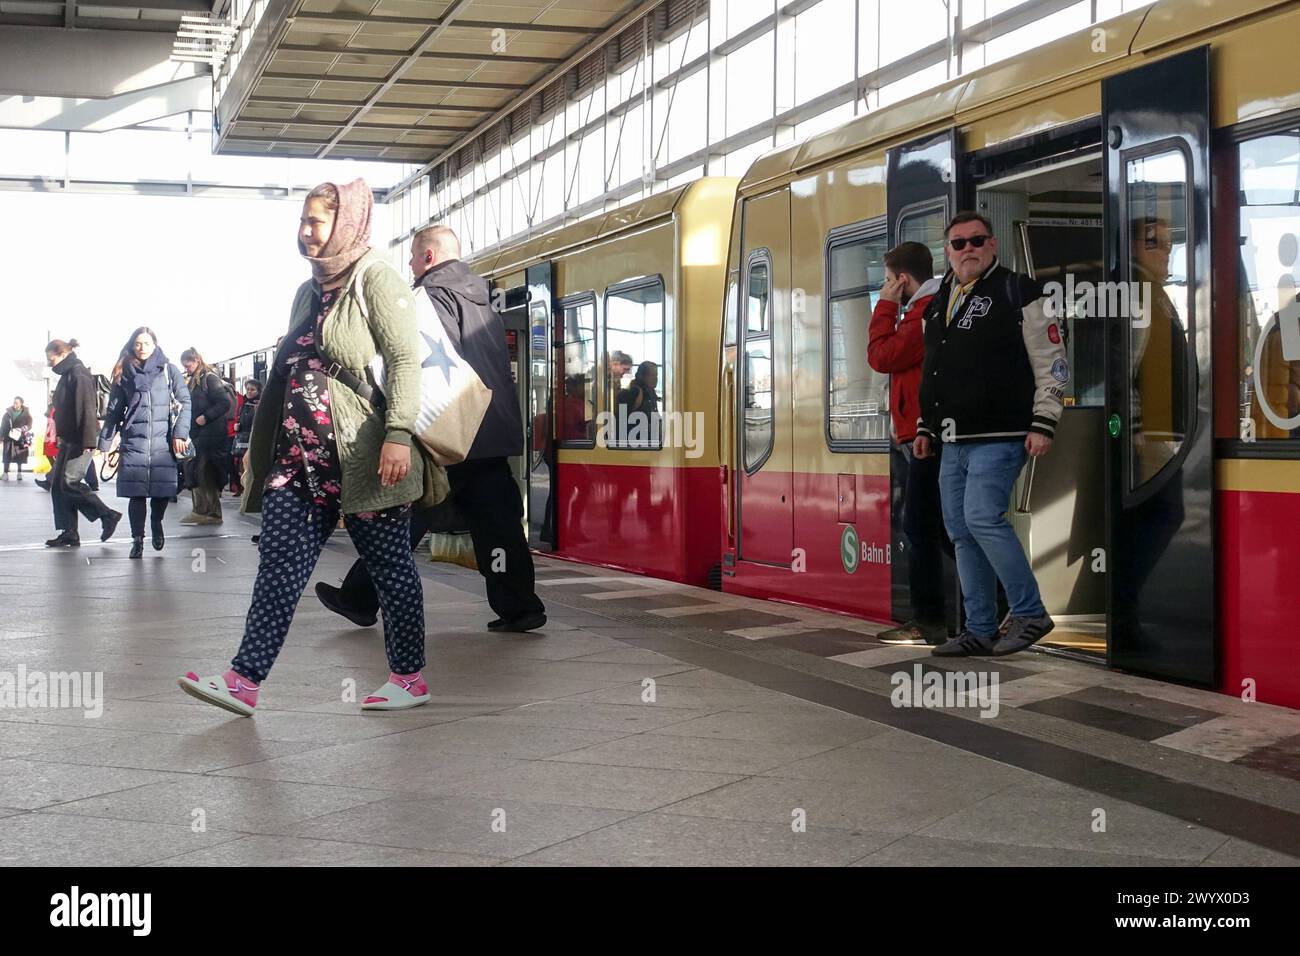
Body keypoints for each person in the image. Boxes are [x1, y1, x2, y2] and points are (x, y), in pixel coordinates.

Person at [178, 178, 442, 716]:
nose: (305, 233)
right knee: (278, 566)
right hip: (298, 461)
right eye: (301, 221)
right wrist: (261, 445)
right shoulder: (306, 291)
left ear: (346, 223)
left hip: (365, 456)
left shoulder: (378, 279)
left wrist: (397, 434)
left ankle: (409, 676)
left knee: (390, 568)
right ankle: (243, 680)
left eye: (315, 222)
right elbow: (286, 374)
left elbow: (404, 362)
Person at [316, 223, 546, 633]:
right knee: (499, 525)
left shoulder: (424, 298)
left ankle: (358, 597)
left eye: (412, 256)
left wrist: (399, 426)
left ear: (429, 257)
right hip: (491, 432)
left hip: (449, 429)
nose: (408, 264)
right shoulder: (483, 299)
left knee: (405, 517)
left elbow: (408, 360)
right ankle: (521, 606)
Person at [914, 212, 1066, 657]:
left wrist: (1045, 421)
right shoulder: (942, 298)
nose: (968, 249)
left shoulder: (1019, 290)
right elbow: (933, 370)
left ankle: (1030, 612)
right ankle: (979, 628)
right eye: (958, 244)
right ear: (947, 252)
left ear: (994, 245)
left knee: (981, 518)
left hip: (1002, 433)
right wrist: (926, 424)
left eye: (976, 241)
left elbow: (1052, 361)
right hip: (952, 438)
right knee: (960, 529)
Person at [867, 241, 949, 645]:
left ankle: (930, 620)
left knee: (922, 527)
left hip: (925, 437)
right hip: (920, 433)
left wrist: (884, 307)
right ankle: (983, 612)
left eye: (886, 281)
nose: (884, 288)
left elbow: (882, 357)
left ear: (902, 279)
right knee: (943, 529)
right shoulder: (923, 309)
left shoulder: (923, 312)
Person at [96, 327, 191, 558]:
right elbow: (114, 410)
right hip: (133, 441)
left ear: (155, 344)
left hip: (164, 441)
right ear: (132, 344)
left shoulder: (169, 370)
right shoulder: (124, 372)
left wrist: (180, 433)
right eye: (138, 343)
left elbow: (184, 400)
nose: (142, 348)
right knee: (136, 493)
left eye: (146, 343)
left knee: (161, 492)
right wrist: (104, 442)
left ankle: (156, 523)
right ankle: (137, 539)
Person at [44, 339, 122, 547]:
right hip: (70, 438)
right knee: (59, 486)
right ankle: (69, 531)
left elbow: (87, 408)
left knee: (68, 483)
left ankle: (107, 515)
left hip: (81, 438)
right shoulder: (69, 374)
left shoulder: (78, 374)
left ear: (61, 354)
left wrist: (88, 440)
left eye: (50, 358)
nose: (49, 363)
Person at [179, 348, 231, 524]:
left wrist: (205, 417)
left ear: (197, 361)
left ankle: (210, 512)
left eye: (188, 365)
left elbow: (224, 402)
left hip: (212, 435)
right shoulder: (196, 381)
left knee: (204, 471)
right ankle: (202, 510)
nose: (186, 368)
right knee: (197, 470)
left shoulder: (209, 379)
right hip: (201, 434)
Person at [231, 378, 260, 496]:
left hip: (253, 438)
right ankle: (242, 488)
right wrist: (237, 426)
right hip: (243, 436)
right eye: (247, 389)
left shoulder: (259, 404)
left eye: (252, 389)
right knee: (240, 464)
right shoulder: (244, 404)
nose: (249, 392)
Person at [2, 396, 33, 480]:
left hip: (20, 437)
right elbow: (3, 425)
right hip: (8, 437)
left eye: (17, 402)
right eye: (14, 402)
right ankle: (5, 473)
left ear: (21, 403)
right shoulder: (8, 413)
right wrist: (1, 437)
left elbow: (30, 424)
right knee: (6, 455)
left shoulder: (26, 413)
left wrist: (25, 428)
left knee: (20, 455)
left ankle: (19, 473)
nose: (15, 404)